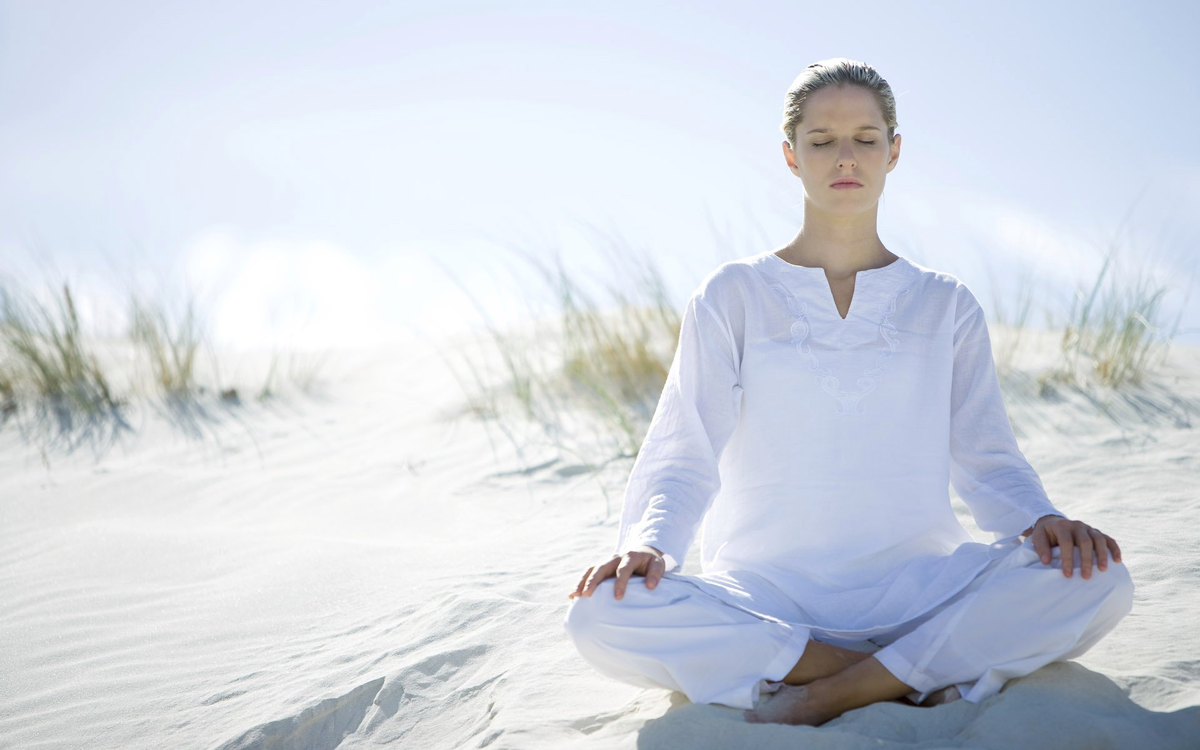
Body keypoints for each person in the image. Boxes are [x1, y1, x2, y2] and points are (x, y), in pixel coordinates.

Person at [560, 57, 1134, 727]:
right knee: (602, 613)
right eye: (822, 140)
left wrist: (1039, 520)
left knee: (1101, 582)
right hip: (765, 597)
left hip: (920, 592)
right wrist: (653, 544)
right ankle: (889, 674)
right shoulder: (732, 296)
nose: (845, 157)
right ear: (790, 155)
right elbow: (685, 445)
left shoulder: (944, 304)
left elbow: (986, 454)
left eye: (865, 138)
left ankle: (831, 691)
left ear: (894, 152)